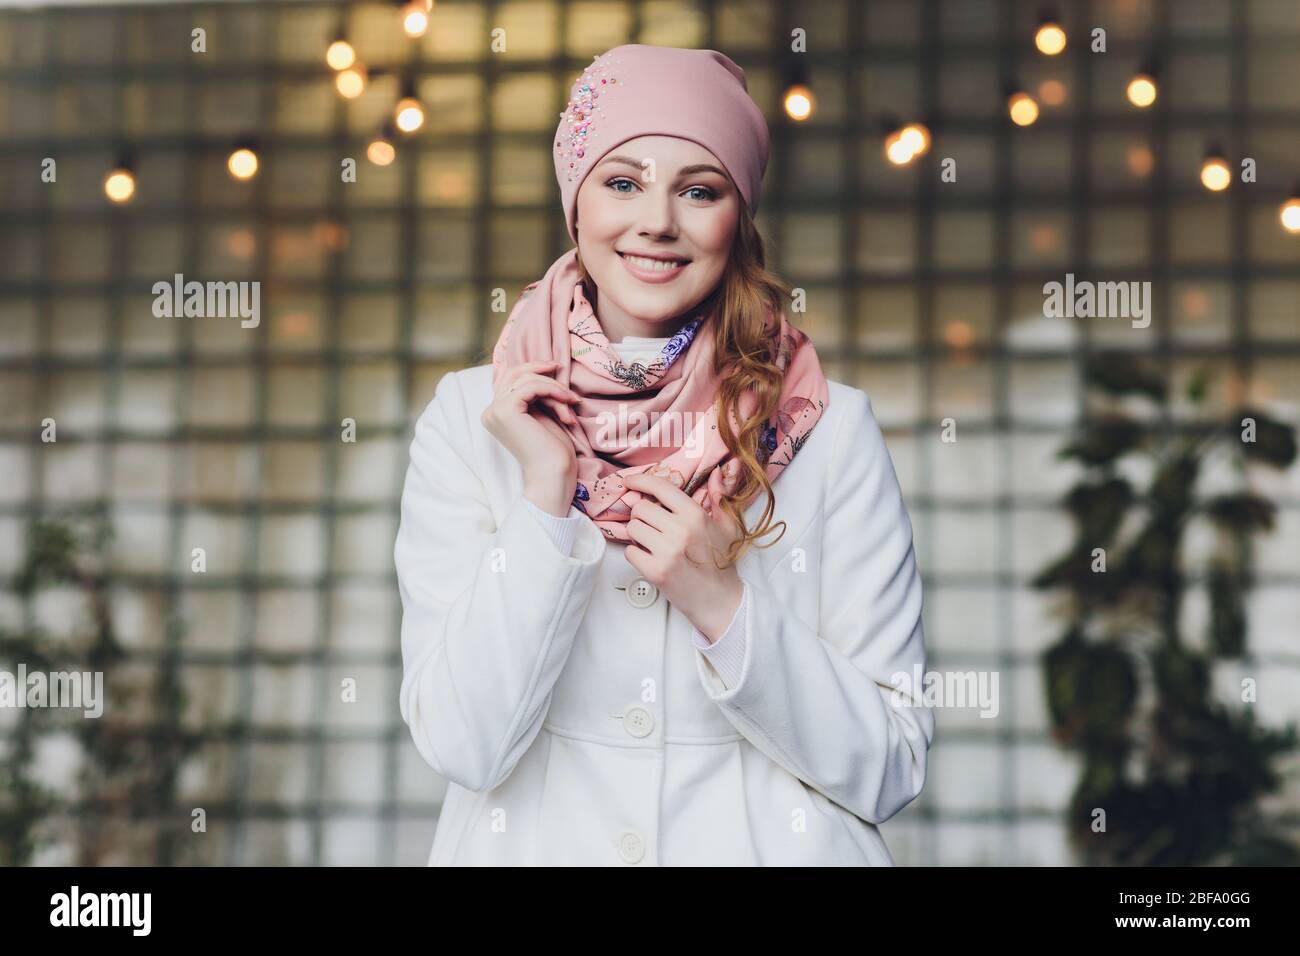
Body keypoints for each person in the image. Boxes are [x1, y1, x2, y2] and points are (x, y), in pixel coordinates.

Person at [394, 44, 934, 866]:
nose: (656, 221)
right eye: (622, 182)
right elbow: (465, 744)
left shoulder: (829, 426)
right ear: (576, 206)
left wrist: (721, 604)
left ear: (737, 217)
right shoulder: (475, 418)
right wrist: (546, 497)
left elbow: (891, 762)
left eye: (698, 189)